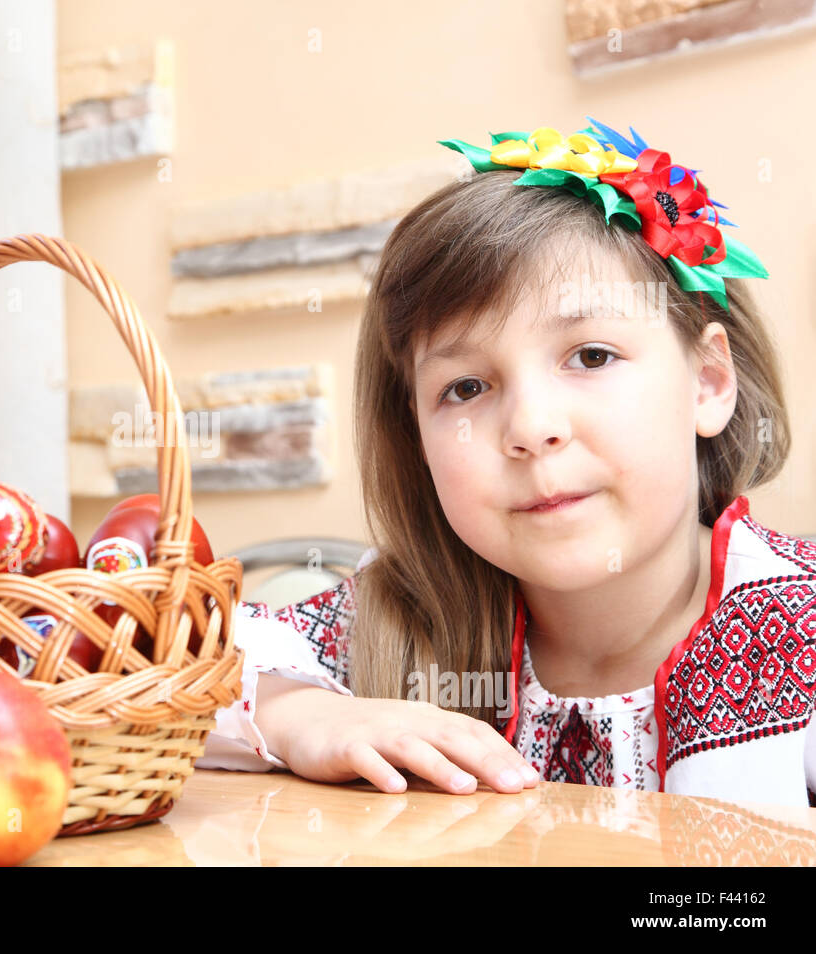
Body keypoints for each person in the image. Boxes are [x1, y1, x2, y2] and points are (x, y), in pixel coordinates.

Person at [196, 120, 816, 808]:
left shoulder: (798, 632)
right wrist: (301, 715)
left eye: (591, 356)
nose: (530, 429)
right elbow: (163, 665)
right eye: (465, 389)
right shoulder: (403, 620)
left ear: (706, 382)